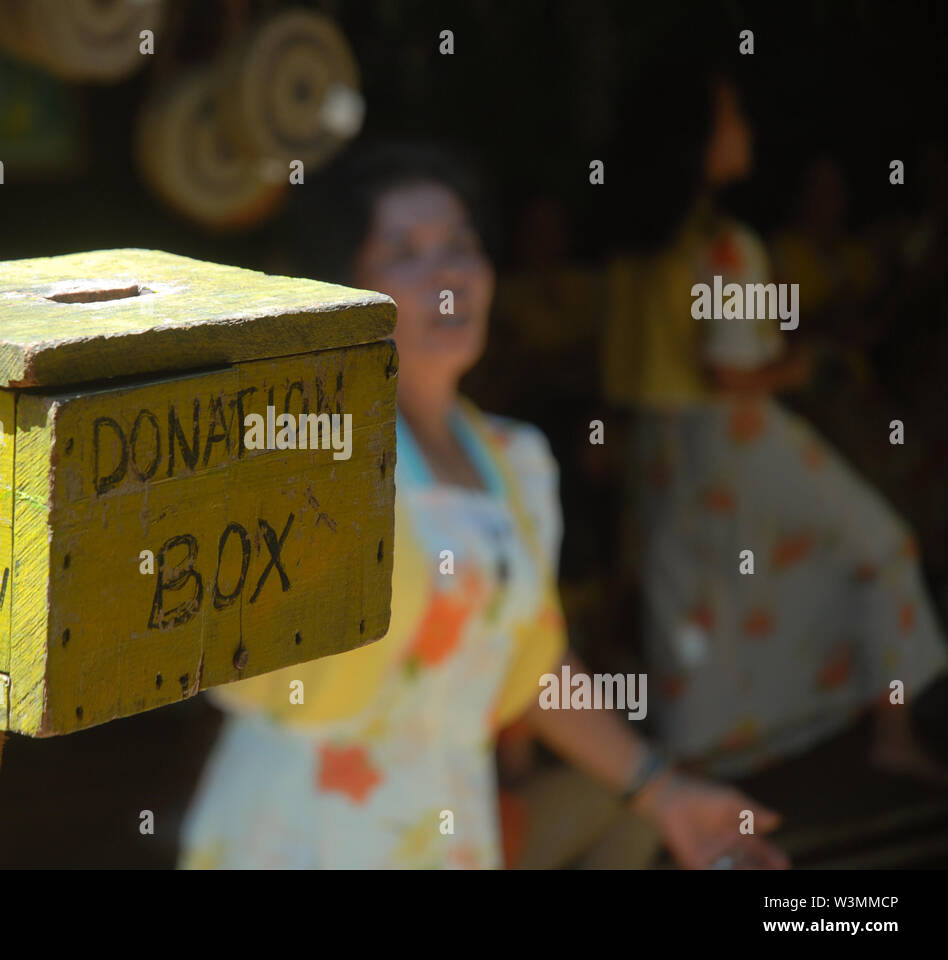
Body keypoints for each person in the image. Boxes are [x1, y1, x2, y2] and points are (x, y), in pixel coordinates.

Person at [178, 139, 789, 869]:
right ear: (343, 289)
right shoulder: (308, 448)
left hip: (448, 829)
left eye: (461, 246)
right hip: (300, 829)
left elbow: (529, 665)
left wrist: (663, 793)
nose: (446, 277)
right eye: (404, 252)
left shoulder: (516, 462)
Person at [601, 63, 948, 785]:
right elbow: (731, 374)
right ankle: (891, 729)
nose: (745, 131)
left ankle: (697, 767)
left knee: (693, 599)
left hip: (657, 450)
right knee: (879, 546)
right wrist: (796, 368)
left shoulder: (634, 251)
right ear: (699, 140)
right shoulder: (724, 245)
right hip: (732, 438)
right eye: (732, 118)